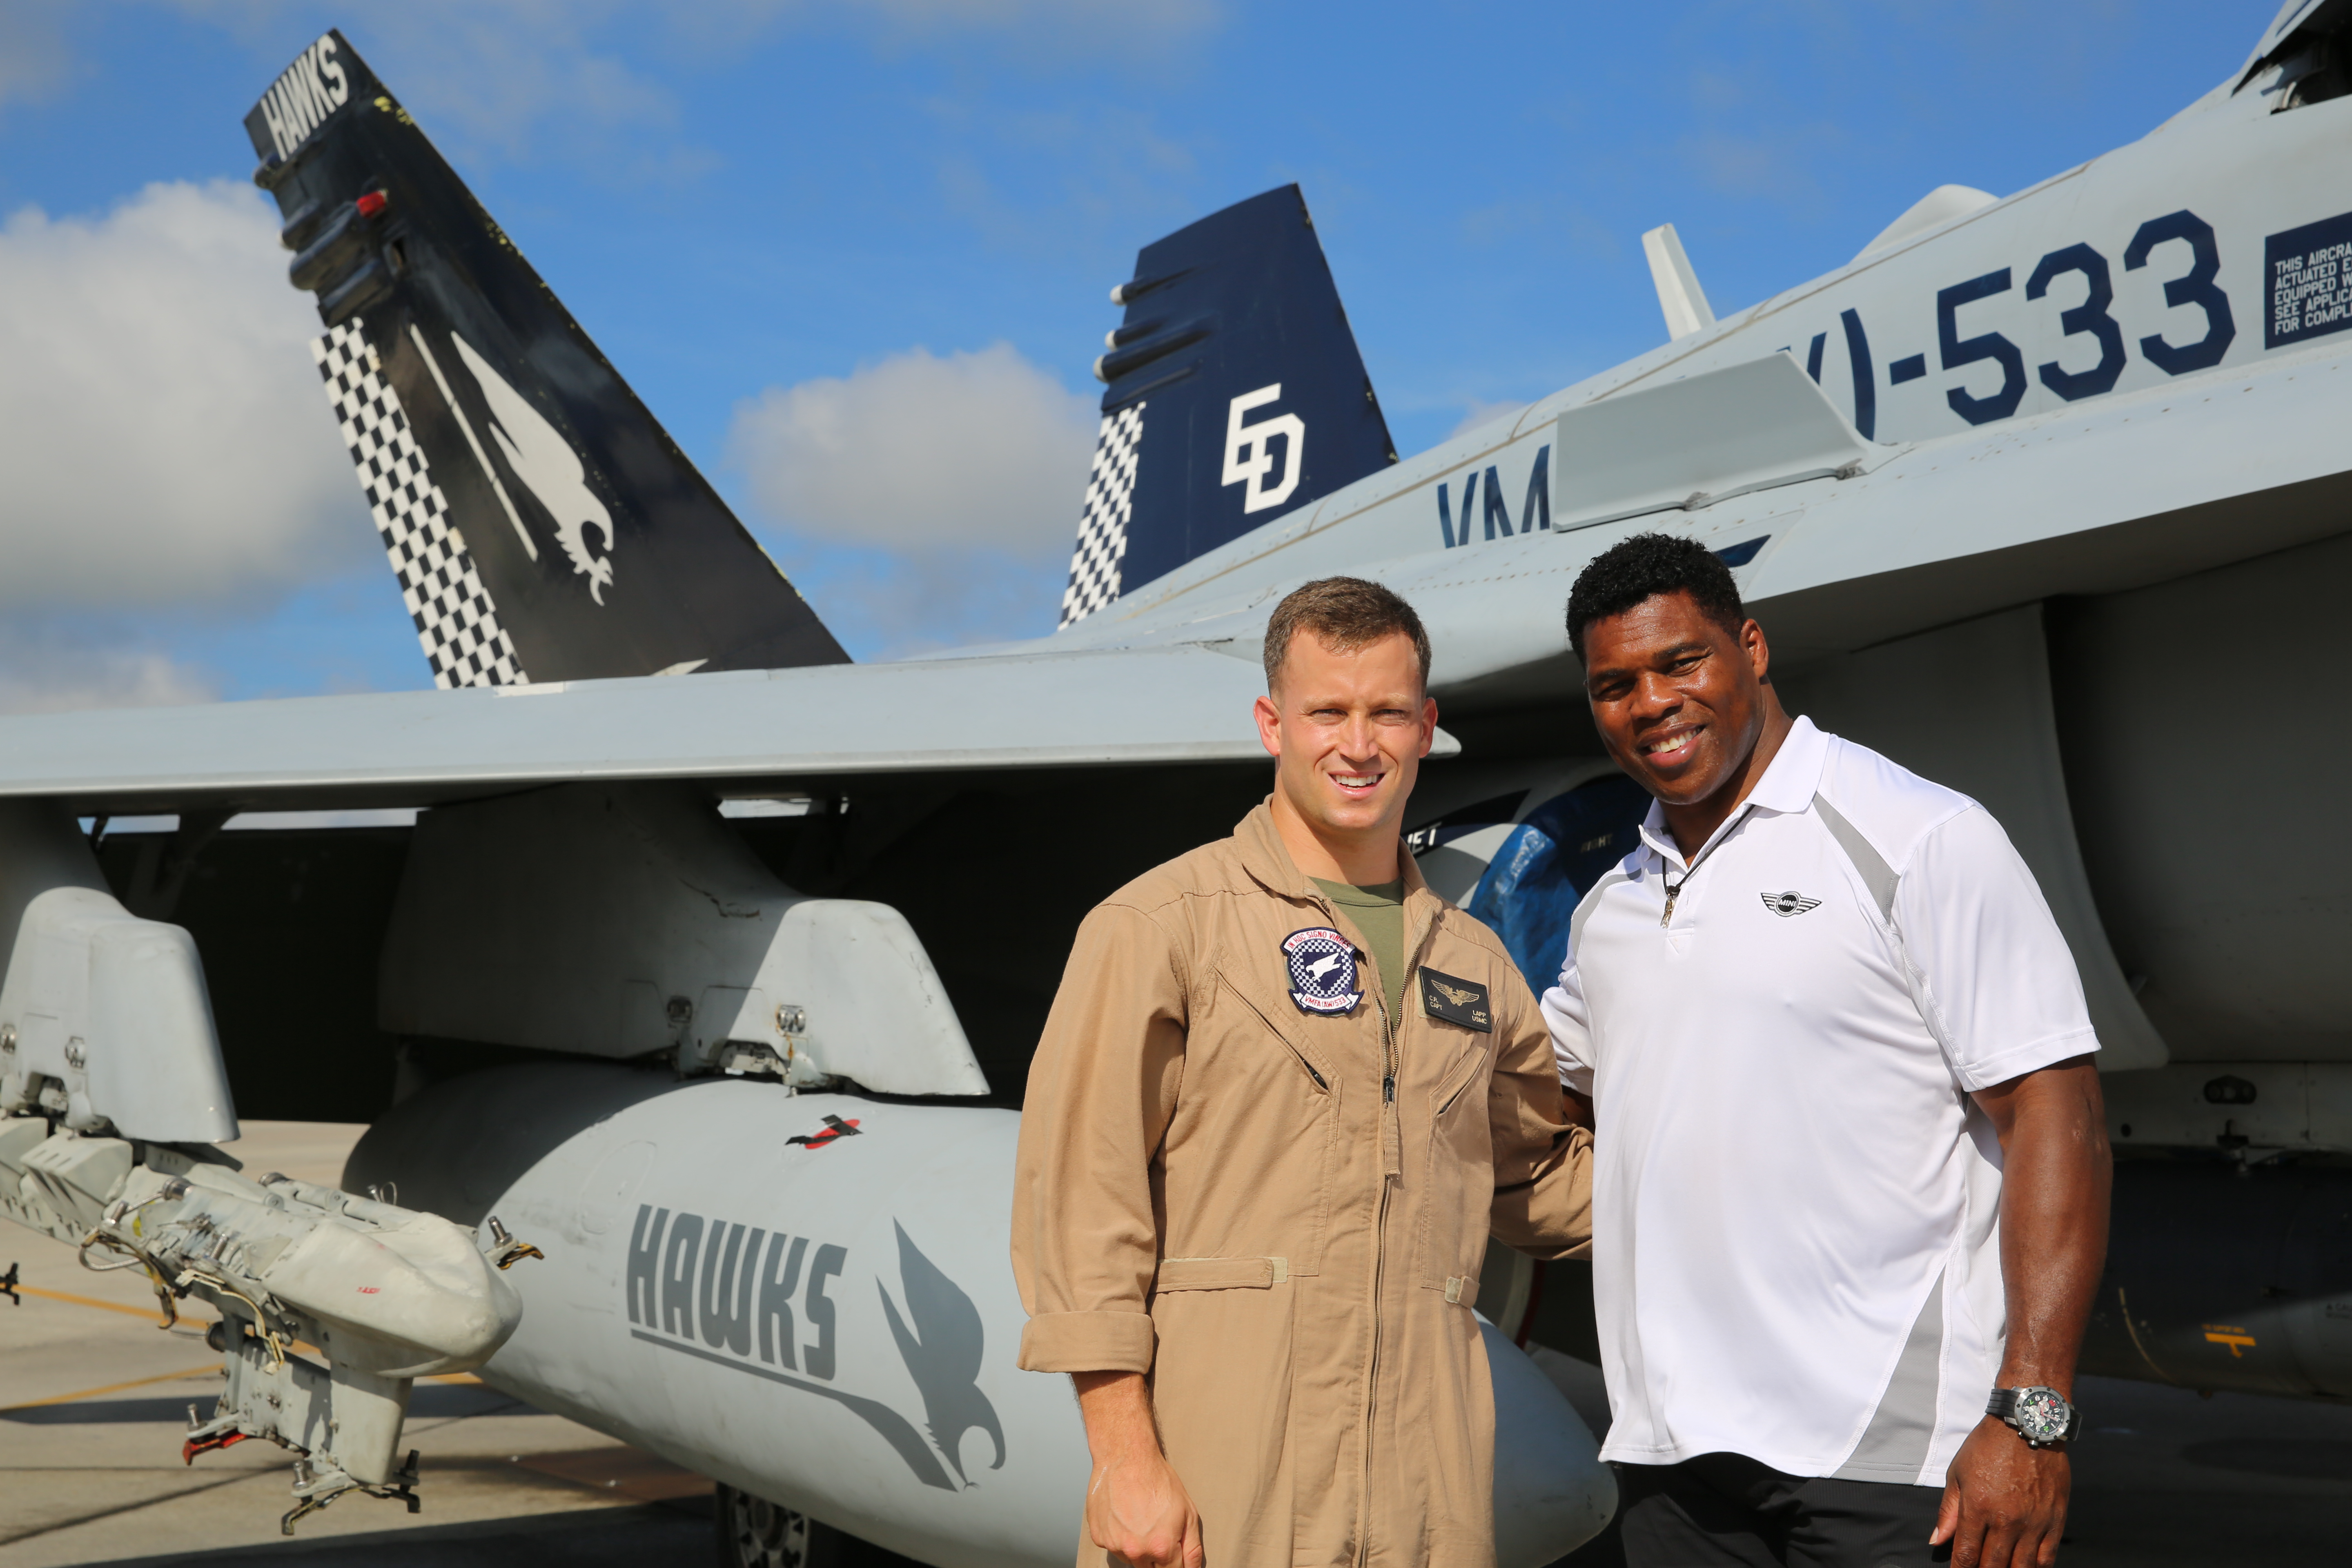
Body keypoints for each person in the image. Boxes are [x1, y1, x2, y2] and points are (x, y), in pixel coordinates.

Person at [1543, 533, 2111, 1568]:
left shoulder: (1918, 837)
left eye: (1682, 662)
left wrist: (2033, 1415)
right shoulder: (1612, 907)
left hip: (1886, 1460)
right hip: (1674, 1455)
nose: (1652, 702)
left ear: (1751, 648)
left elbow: (2053, 1115)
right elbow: (1542, 1095)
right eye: (1615, 684)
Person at [1011, 576, 1593, 1568]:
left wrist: (1728, 1178)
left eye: (1387, 715)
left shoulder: (1475, 964)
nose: (1358, 746)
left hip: (1430, 1503)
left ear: (1427, 727)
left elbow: (1536, 1180)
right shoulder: (1163, 927)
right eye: (1328, 712)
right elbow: (1083, 1208)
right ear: (1272, 722)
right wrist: (1125, 1464)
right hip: (1220, 1490)